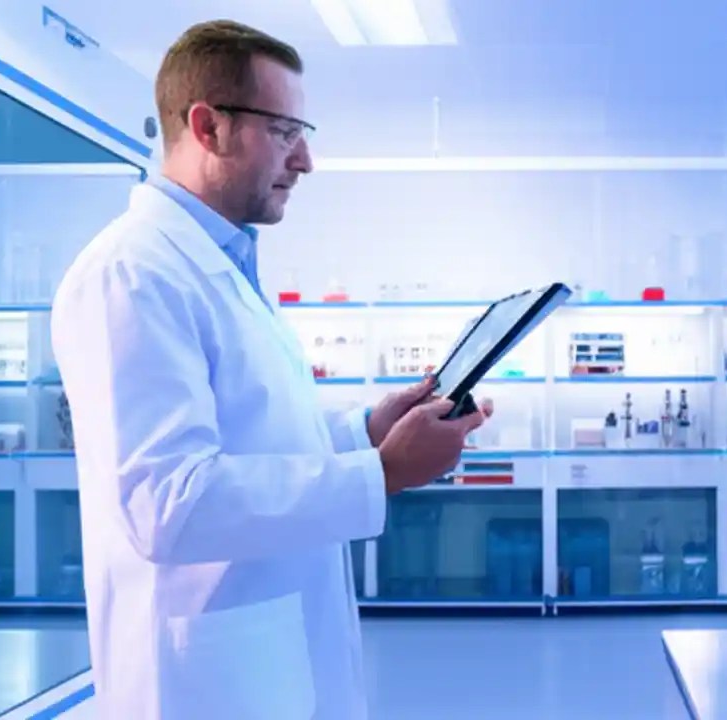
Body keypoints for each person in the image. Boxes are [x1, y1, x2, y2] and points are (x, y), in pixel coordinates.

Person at [49, 19, 487, 719]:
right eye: (286, 131)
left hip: (265, 652)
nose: (306, 160)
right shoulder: (131, 274)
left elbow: (253, 433)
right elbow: (169, 503)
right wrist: (382, 472)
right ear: (208, 126)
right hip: (205, 677)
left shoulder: (222, 265)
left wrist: (366, 432)